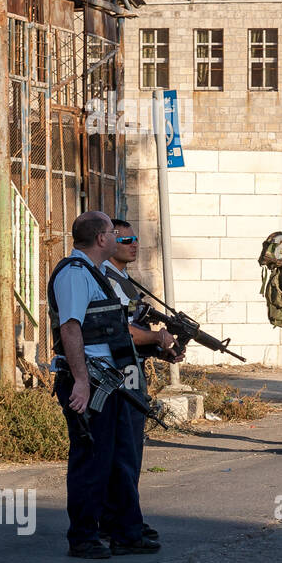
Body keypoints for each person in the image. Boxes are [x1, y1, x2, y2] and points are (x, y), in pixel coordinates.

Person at [49, 211, 161, 558]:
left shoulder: (96, 274)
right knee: (91, 460)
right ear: (101, 239)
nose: (119, 238)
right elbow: (70, 328)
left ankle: (122, 531)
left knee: (114, 458)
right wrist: (81, 381)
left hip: (109, 380)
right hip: (89, 382)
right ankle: (82, 537)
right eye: (114, 233)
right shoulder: (73, 274)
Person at [102, 219, 182, 543]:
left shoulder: (124, 279)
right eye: (127, 239)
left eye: (136, 238)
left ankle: (123, 518)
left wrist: (164, 349)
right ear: (108, 242)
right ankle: (122, 524)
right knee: (123, 452)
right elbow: (123, 331)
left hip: (132, 372)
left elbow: (137, 330)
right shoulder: (107, 279)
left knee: (130, 452)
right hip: (118, 376)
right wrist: (156, 337)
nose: (134, 244)